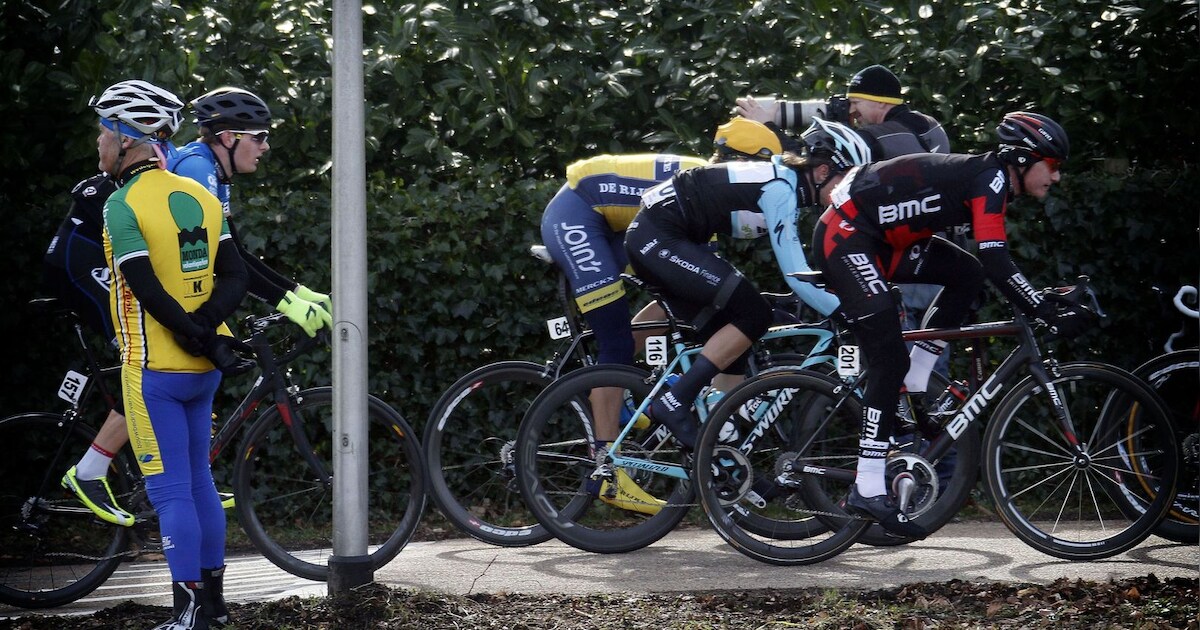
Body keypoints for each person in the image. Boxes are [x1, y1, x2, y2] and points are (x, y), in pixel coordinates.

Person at [57, 86, 333, 531]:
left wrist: (295, 292)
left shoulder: (210, 172)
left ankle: (183, 474)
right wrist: (287, 299)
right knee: (153, 358)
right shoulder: (197, 171)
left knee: (185, 346)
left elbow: (232, 257)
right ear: (228, 137)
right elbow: (232, 264)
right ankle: (91, 469)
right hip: (82, 261)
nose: (266, 147)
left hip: (125, 257)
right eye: (259, 137)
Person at [810, 111, 1091, 538]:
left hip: (879, 239)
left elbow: (986, 264)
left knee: (966, 274)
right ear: (1022, 159)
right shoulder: (991, 179)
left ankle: (918, 380)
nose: (1056, 177)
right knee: (888, 358)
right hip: (847, 238)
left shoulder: (990, 179)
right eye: (1051, 165)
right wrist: (1042, 310)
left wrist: (1039, 303)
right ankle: (867, 487)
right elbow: (996, 258)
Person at [539, 117, 782, 515]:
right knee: (615, 344)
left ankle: (620, 391)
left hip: (613, 224)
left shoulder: (706, 196)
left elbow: (681, 298)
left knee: (691, 309)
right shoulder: (695, 185)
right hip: (579, 213)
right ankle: (607, 473)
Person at [92, 78, 247, 629]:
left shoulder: (121, 204)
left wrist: (187, 331)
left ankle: (188, 613)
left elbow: (144, 289)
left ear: (126, 138)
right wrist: (205, 330)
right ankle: (214, 606)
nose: (98, 144)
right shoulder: (200, 194)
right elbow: (236, 275)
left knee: (170, 491)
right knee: (200, 483)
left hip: (152, 371)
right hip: (204, 369)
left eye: (102, 133)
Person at [623, 118, 872, 450]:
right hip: (659, 237)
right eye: (848, 181)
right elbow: (796, 273)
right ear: (823, 171)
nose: (850, 194)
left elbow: (804, 270)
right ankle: (675, 400)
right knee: (753, 314)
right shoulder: (781, 188)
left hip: (663, 237)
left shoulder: (786, 183)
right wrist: (849, 314)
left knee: (735, 334)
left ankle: (721, 452)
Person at [739, 63, 955, 377]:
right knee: (931, 365)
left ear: (880, 102)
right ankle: (928, 405)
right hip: (937, 260)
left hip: (903, 266)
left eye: (856, 103)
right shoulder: (928, 127)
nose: (852, 111)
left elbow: (816, 162)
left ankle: (896, 409)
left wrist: (769, 126)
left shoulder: (883, 136)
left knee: (898, 363)